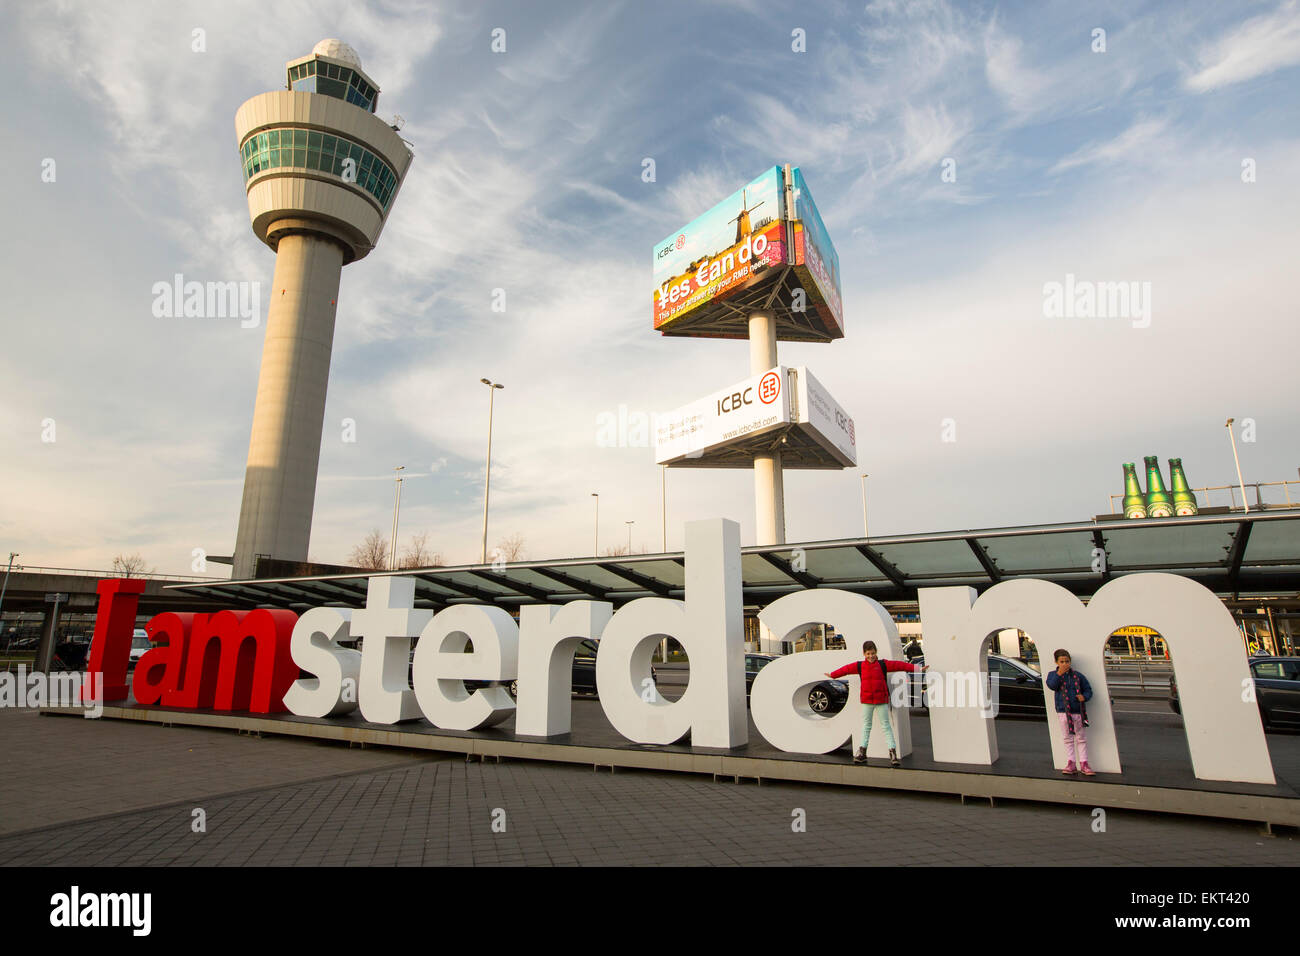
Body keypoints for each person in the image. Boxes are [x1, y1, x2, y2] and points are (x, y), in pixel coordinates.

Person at [825, 641, 924, 767]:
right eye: (868, 654)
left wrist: (917, 668)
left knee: (886, 726)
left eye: (872, 653)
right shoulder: (860, 666)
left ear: (876, 652)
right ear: (864, 654)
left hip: (881, 701)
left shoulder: (883, 664)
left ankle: (893, 753)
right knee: (866, 726)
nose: (871, 656)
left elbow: (899, 665)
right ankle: (862, 753)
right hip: (867, 701)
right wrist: (833, 675)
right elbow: (846, 669)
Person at [1044, 649, 1093, 775]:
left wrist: (1084, 697)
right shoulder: (1052, 675)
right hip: (1063, 711)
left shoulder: (1078, 676)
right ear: (1056, 662)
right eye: (1062, 661)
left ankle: (1084, 763)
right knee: (1067, 738)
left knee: (1081, 738)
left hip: (1078, 711)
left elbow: (1088, 690)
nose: (1065, 664)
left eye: (1067, 661)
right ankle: (1071, 763)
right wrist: (1059, 674)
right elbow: (1052, 686)